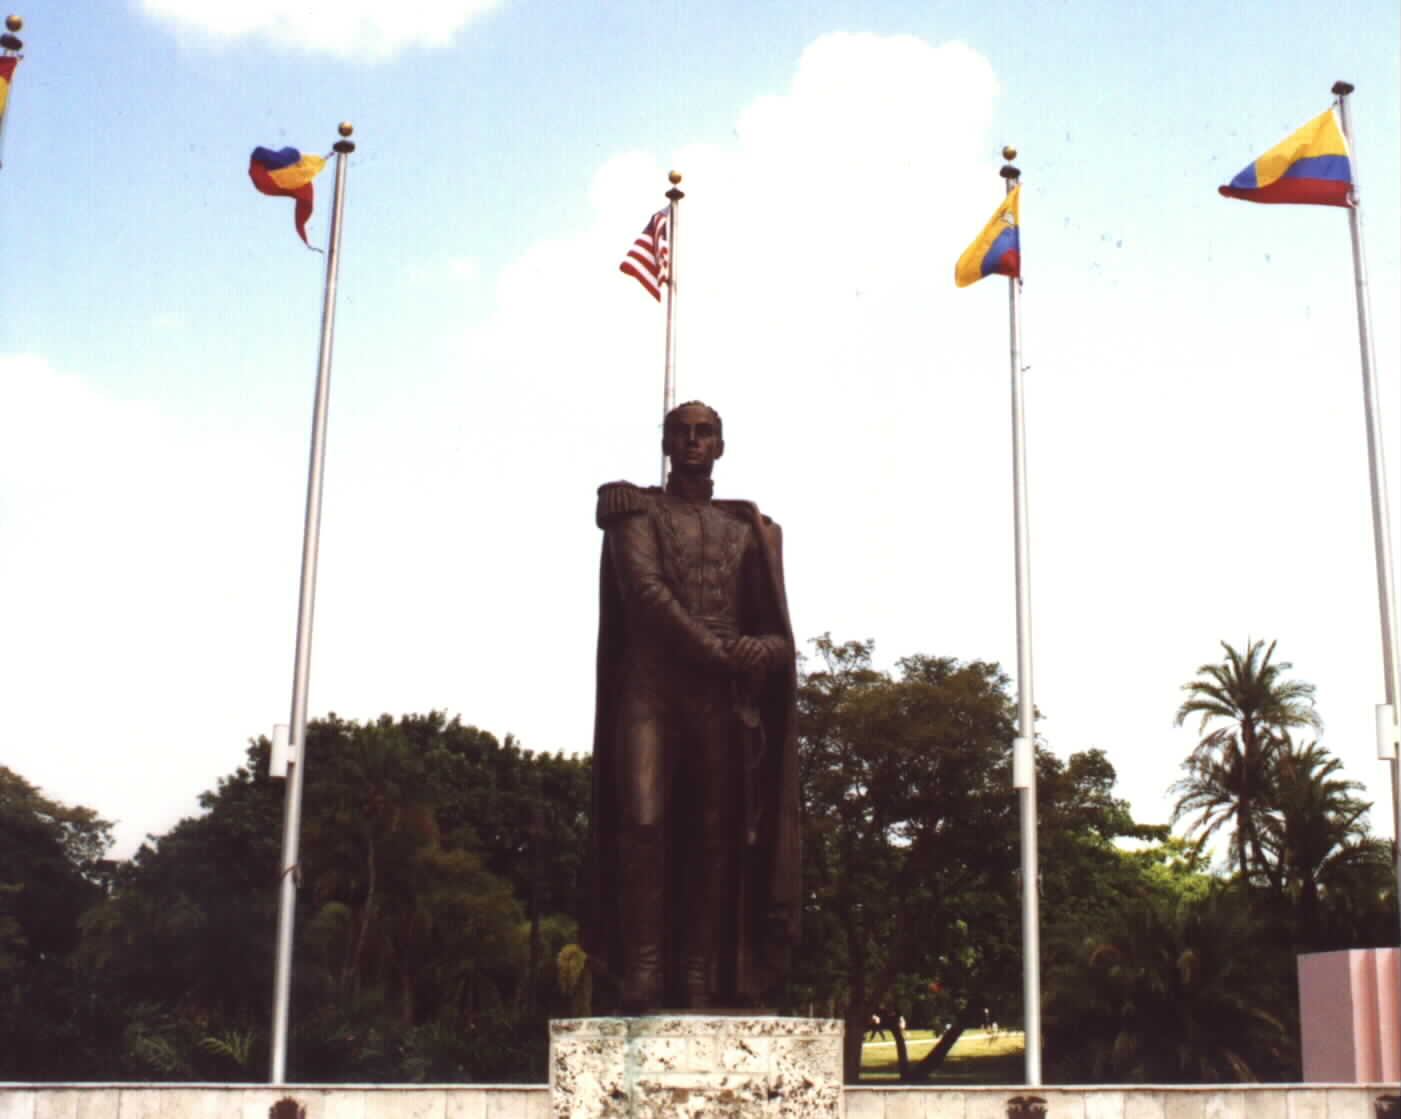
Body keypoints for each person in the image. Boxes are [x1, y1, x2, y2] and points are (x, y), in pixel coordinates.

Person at [588, 401, 799, 1012]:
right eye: (680, 432)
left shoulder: (751, 531)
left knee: (716, 834)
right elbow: (645, 593)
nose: (692, 441)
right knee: (644, 820)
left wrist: (756, 650)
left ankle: (701, 974)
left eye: (704, 433)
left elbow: (779, 636)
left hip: (721, 696)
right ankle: (644, 967)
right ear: (665, 443)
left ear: (721, 446)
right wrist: (716, 650)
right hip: (652, 687)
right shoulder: (634, 512)